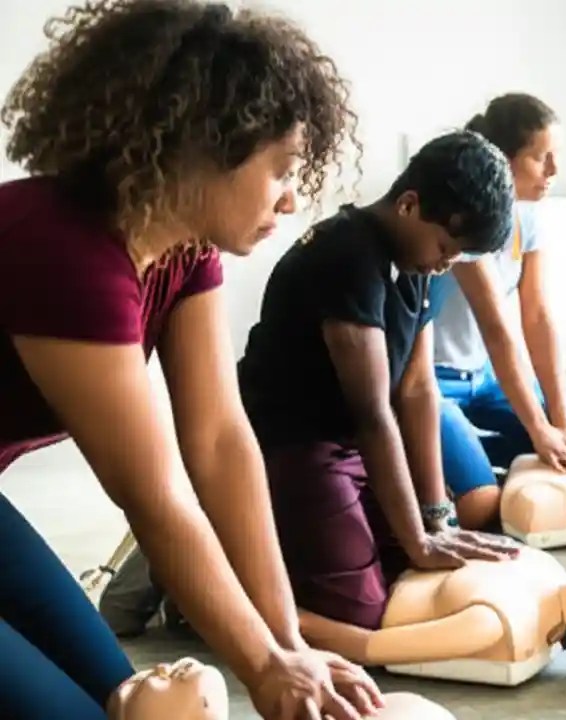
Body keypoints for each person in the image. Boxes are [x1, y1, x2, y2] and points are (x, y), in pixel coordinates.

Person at [0, 1, 386, 718]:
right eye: (280, 170)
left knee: (127, 696)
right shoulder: (62, 253)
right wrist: (263, 667)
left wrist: (285, 640)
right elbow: (154, 494)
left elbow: (219, 443)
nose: (292, 197)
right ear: (201, 145)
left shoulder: (183, 253)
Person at [235, 130, 522, 640]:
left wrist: (437, 522)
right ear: (410, 205)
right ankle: (217, 591)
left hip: (354, 447)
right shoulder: (347, 253)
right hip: (296, 443)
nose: (444, 264)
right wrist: (417, 536)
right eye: (444, 247)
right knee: (360, 612)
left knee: (416, 566)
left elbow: (417, 392)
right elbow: (372, 411)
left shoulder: (417, 265)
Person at [429, 93, 566, 530]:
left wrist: (560, 418)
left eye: (556, 157)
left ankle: (456, 456)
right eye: (540, 158)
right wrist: (540, 430)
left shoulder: (529, 218)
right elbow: (497, 327)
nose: (553, 171)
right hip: (434, 382)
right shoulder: (467, 217)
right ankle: (433, 460)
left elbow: (537, 317)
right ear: (503, 161)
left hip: (485, 378)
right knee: (481, 510)